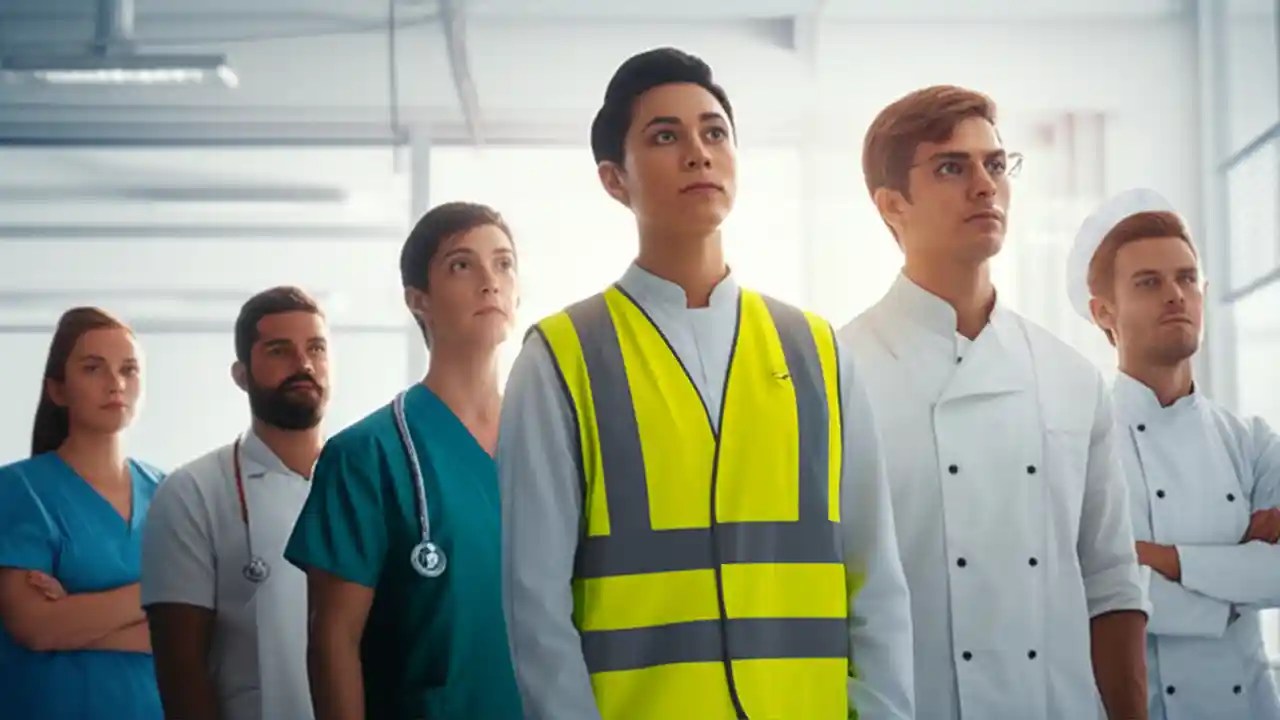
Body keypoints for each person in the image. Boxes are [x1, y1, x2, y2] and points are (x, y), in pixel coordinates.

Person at [498, 47, 914, 720]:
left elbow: (876, 581)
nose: (698, 152)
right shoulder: (560, 360)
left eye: (714, 132)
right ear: (614, 179)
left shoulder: (817, 352)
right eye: (665, 136)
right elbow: (536, 609)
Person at [839, 85, 1149, 720]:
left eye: (996, 164)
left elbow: (1112, 585)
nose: (985, 185)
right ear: (892, 203)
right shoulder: (837, 374)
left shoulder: (1071, 378)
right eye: (952, 167)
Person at [284, 201, 522, 720]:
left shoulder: (550, 446)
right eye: (463, 264)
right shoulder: (367, 454)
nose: (490, 281)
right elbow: (332, 642)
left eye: (503, 263)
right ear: (419, 301)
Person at [1066, 187, 1280, 720]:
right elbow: (1093, 595)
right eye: (1149, 282)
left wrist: (1158, 559)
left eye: (1187, 278)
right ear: (1103, 312)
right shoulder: (1077, 443)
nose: (1175, 295)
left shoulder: (1251, 441)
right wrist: (1235, 585)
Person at [140, 286, 331, 720]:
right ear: (241, 374)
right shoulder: (194, 491)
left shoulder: (361, 480)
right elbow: (181, 671)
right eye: (280, 351)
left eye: (316, 349)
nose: (303, 365)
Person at [0, 307, 164, 719]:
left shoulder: (172, 494)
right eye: (94, 368)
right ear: (58, 389)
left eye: (129, 369)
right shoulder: (18, 491)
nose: (116, 384)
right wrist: (159, 591)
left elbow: (198, 634)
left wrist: (76, 615)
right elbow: (36, 628)